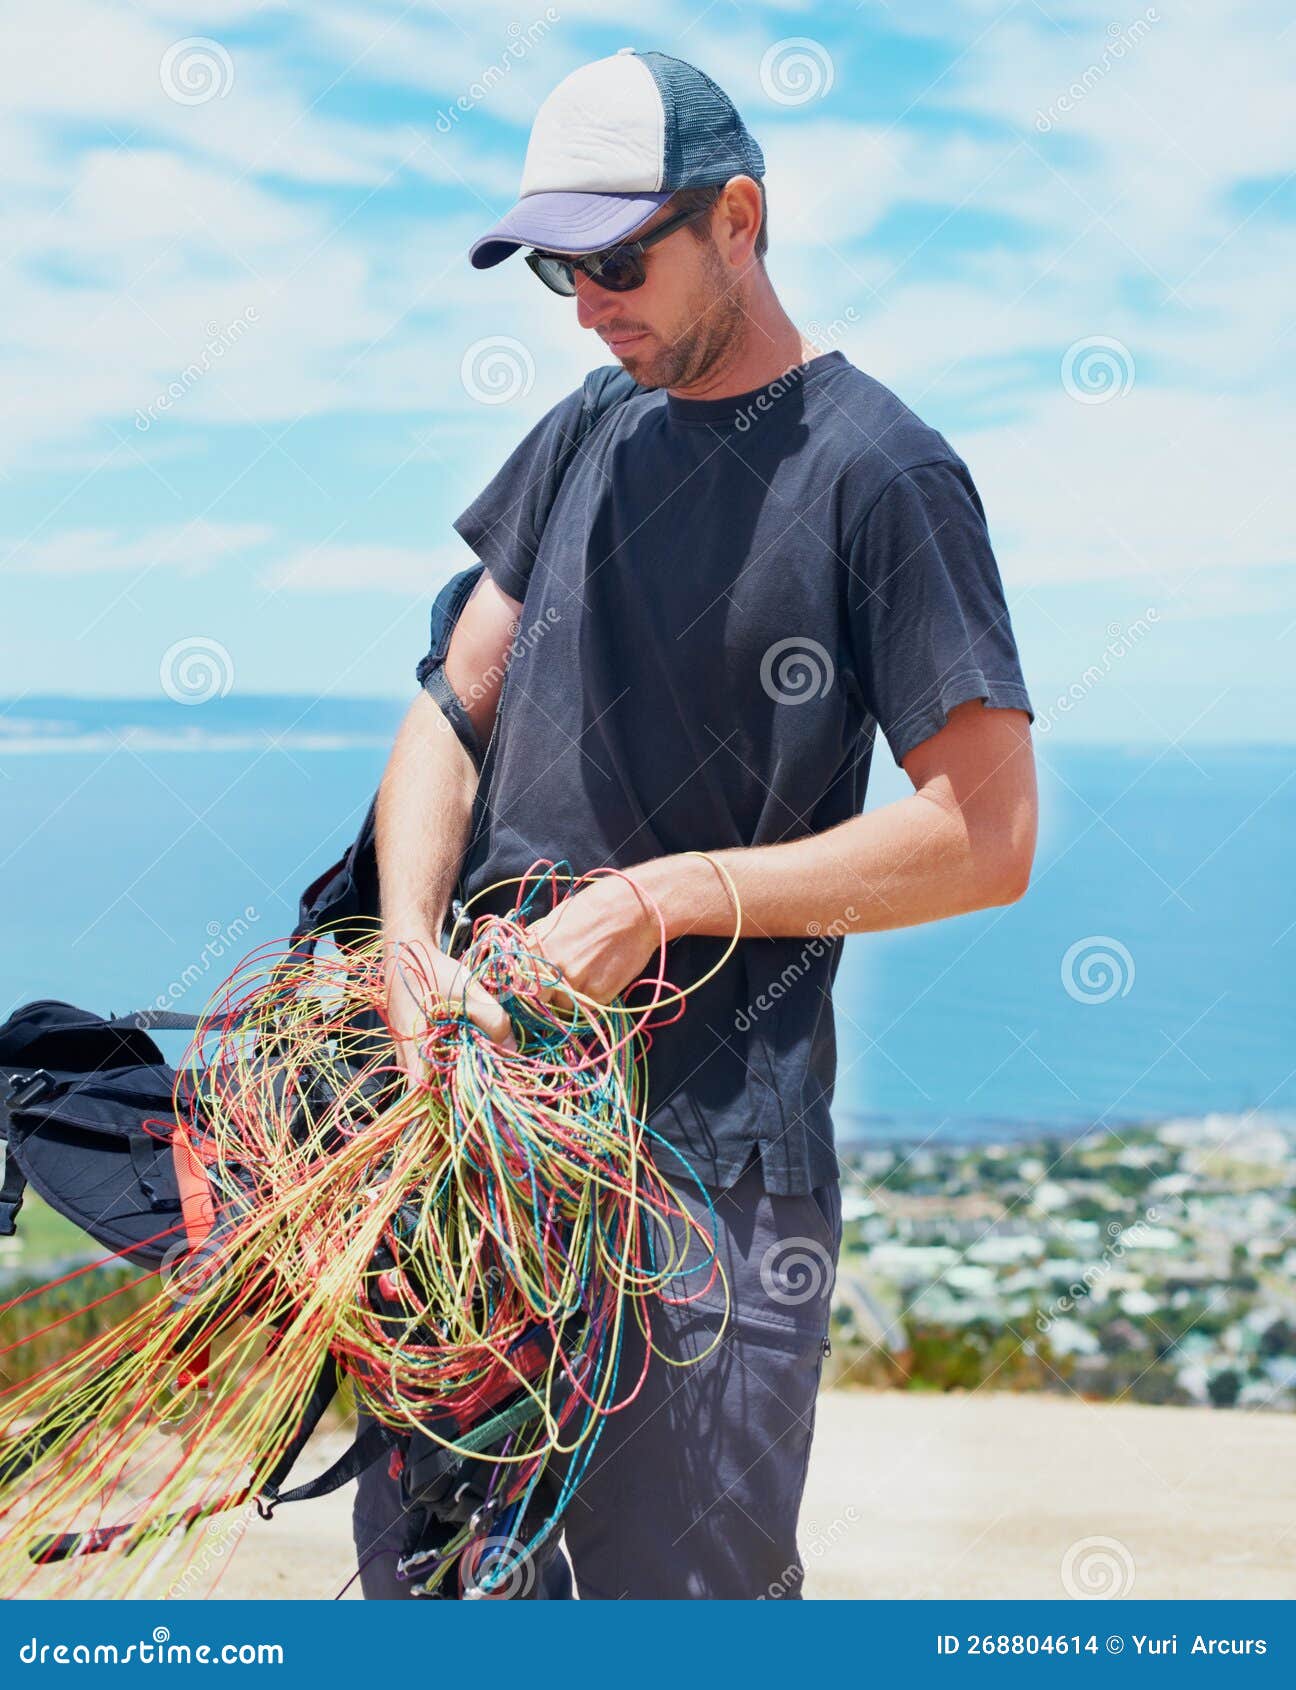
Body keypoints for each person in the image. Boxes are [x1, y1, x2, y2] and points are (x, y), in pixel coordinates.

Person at [354, 48, 1037, 1600]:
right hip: (475, 1143)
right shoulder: (588, 433)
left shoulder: (885, 472)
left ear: (741, 218)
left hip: (714, 1187)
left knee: (691, 1614)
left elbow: (988, 835)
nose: (586, 301)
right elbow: (448, 710)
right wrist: (404, 953)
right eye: (553, 267)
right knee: (433, 1591)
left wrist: (668, 897)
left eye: (615, 259)